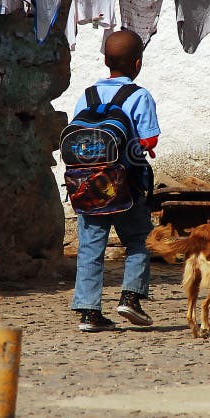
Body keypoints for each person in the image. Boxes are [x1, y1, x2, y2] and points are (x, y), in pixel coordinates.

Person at [70, 29, 159, 332]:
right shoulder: (139, 95)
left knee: (90, 248)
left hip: (87, 186)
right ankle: (130, 298)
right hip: (126, 185)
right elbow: (149, 139)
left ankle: (89, 312)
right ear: (137, 64)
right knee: (138, 240)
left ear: (106, 61)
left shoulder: (87, 94)